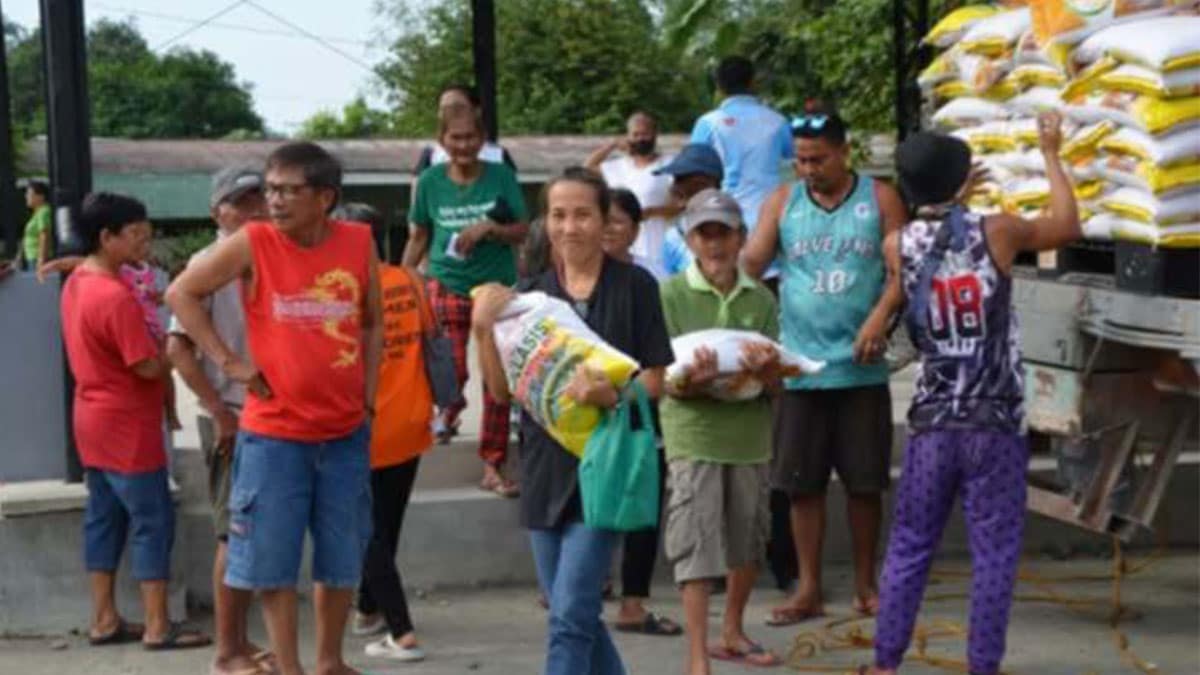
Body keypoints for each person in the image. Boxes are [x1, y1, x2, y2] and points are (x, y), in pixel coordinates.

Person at [862, 112, 1079, 675]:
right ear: (964, 181)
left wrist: (951, 195)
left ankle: (886, 663)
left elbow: (907, 279)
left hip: (933, 423)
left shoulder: (896, 243)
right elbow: (1065, 225)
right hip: (996, 424)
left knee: (909, 547)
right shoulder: (999, 231)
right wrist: (1050, 153)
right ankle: (983, 666)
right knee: (994, 557)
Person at [167, 142, 383, 675]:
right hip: (274, 436)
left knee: (340, 558)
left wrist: (369, 396)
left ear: (325, 197)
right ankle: (290, 669)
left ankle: (330, 660)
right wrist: (229, 361)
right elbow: (181, 294)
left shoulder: (357, 242)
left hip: (343, 433)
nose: (275, 201)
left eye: (289, 190)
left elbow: (372, 320)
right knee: (272, 561)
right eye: (271, 189)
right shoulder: (254, 242)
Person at [471, 167, 674, 675]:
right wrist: (481, 330)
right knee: (576, 613)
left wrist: (613, 393)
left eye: (583, 214)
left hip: (607, 466)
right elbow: (501, 391)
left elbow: (656, 380)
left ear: (605, 220)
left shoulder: (636, 286)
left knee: (567, 617)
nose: (569, 227)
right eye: (558, 215)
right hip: (543, 465)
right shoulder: (528, 297)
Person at [743, 111, 907, 625]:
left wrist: (879, 317)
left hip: (861, 369)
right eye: (801, 159)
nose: (809, 168)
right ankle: (808, 587)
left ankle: (865, 584)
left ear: (844, 153)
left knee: (864, 483)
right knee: (801, 483)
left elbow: (904, 269)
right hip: (802, 370)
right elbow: (751, 266)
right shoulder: (783, 202)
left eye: (818, 158)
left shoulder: (879, 199)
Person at [60, 192, 210, 652]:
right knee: (152, 521)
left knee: (103, 518)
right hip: (127, 425)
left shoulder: (79, 283)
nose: (145, 244)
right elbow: (145, 365)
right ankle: (157, 625)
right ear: (107, 238)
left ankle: (104, 618)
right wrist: (182, 351)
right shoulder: (114, 296)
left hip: (91, 417)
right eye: (136, 235)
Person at [661, 189, 784, 673]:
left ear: (741, 238)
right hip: (694, 435)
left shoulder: (761, 298)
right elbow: (664, 380)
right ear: (689, 240)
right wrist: (695, 381)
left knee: (749, 539)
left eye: (724, 233)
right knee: (696, 545)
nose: (714, 244)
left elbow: (778, 386)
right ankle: (698, 657)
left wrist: (770, 374)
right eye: (704, 233)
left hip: (750, 438)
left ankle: (732, 631)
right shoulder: (669, 294)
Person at [165, 166, 270, 675]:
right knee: (236, 533)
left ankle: (243, 644)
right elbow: (177, 350)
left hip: (267, 416)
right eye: (240, 202)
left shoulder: (271, 255)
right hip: (235, 415)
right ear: (217, 212)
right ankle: (228, 652)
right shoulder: (206, 264)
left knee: (256, 533)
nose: (254, 210)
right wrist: (219, 409)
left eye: (259, 199)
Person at [401, 104, 530, 497]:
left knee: (496, 379)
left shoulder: (502, 177)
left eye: (471, 137)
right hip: (446, 280)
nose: (463, 145)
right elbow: (420, 235)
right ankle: (448, 410)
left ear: (483, 140)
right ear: (442, 141)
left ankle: (493, 463)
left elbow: (523, 230)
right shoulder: (429, 182)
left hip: (496, 288)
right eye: (455, 138)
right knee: (452, 369)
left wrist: (491, 228)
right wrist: (401, 279)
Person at [335, 203, 433, 664]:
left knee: (365, 531)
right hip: (412, 420)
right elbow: (429, 343)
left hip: (363, 422)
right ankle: (369, 608)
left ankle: (402, 628)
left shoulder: (340, 290)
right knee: (386, 523)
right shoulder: (411, 281)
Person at [597, 187, 681, 637]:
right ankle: (584, 588)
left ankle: (634, 602)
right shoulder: (571, 278)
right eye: (601, 219)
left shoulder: (649, 280)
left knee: (642, 507)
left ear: (635, 228)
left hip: (639, 411)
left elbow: (659, 359)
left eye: (617, 221)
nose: (608, 229)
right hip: (587, 419)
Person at [690, 56, 793, 245]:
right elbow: (794, 158)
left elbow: (692, 170)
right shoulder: (778, 122)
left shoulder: (707, 124)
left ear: (719, 86)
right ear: (753, 82)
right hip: (771, 217)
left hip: (721, 218)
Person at [586, 112, 675, 278]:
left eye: (645, 133)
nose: (640, 138)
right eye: (635, 134)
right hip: (621, 243)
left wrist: (651, 212)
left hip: (656, 242)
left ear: (655, 134)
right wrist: (612, 145)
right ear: (628, 136)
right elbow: (588, 167)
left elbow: (680, 206)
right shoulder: (616, 167)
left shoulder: (669, 165)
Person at [413, 84, 517, 174]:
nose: (451, 113)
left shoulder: (498, 155)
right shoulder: (431, 157)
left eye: (457, 107)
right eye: (444, 109)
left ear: (477, 110)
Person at [654, 143, 725, 277]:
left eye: (695, 185)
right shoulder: (673, 237)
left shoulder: (734, 231)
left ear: (713, 185)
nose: (676, 186)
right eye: (676, 179)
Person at [21, 180, 52, 270]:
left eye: (29, 194)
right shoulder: (37, 213)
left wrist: (41, 259)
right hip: (31, 258)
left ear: (41, 196)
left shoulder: (44, 212)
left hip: (37, 259)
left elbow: (44, 235)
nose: (26, 196)